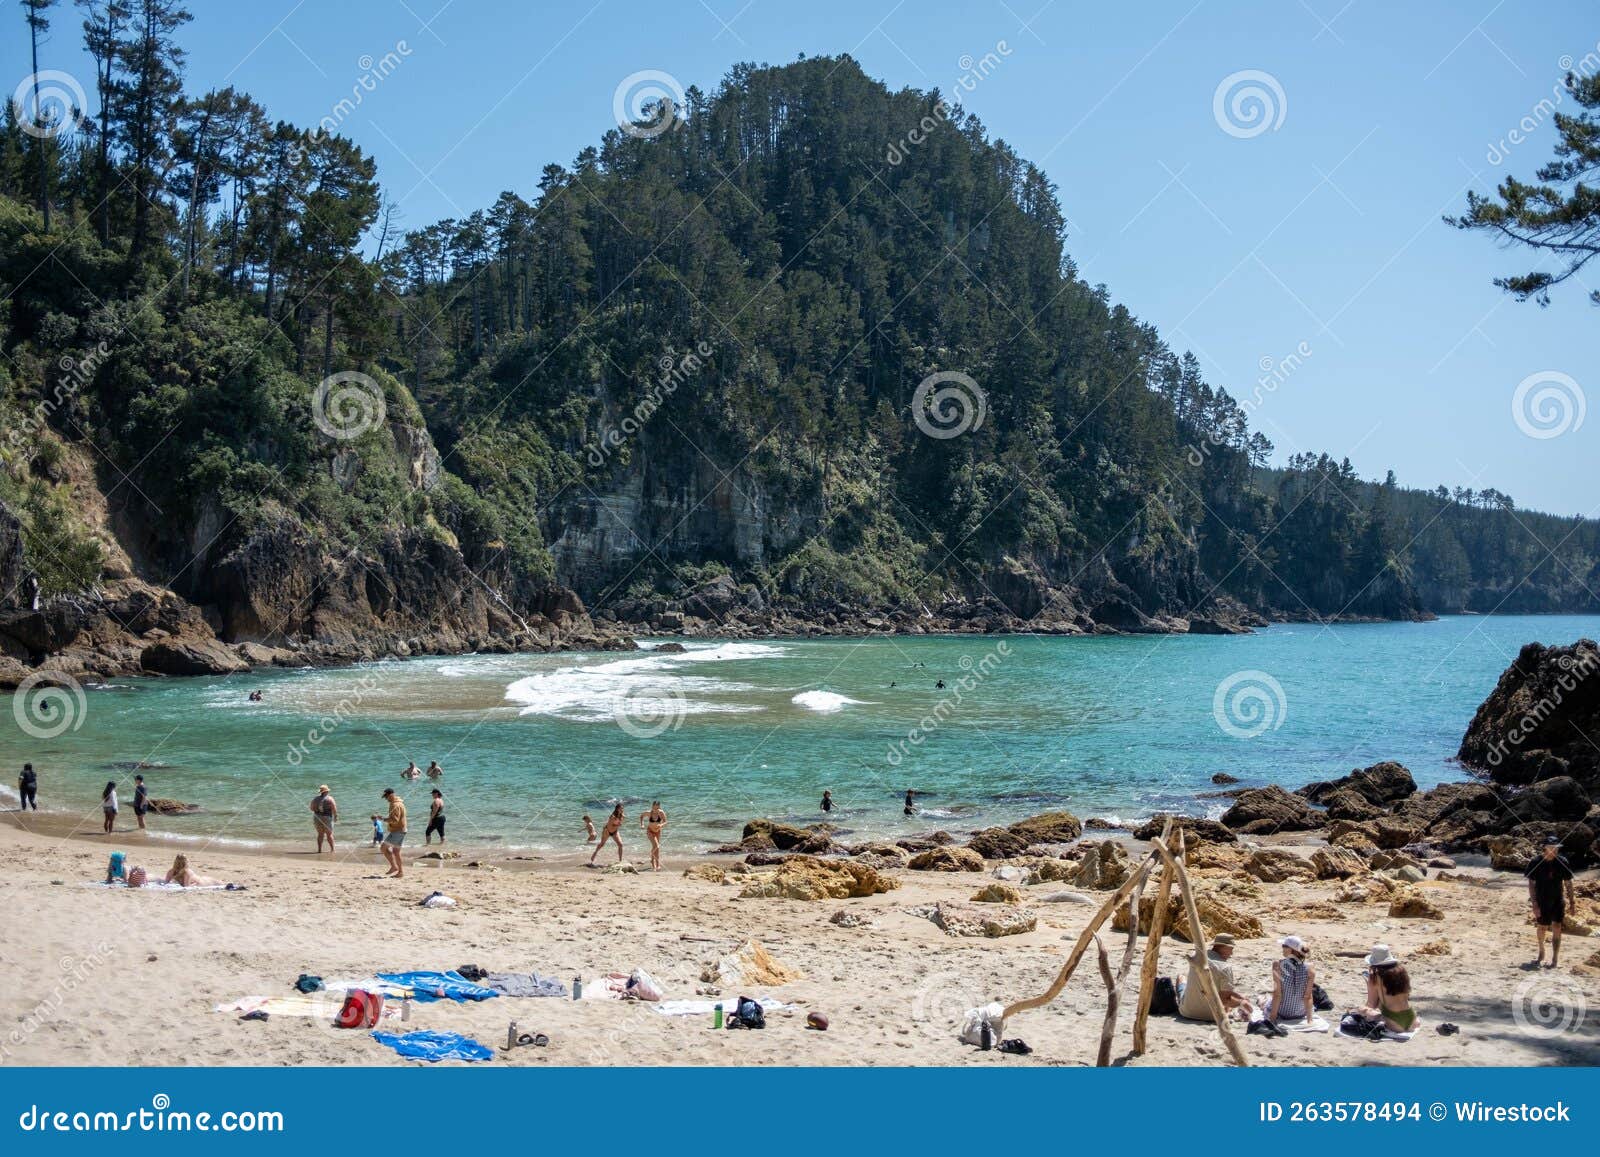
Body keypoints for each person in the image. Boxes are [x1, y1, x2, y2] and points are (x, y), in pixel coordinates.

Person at [1178, 932, 1254, 1021]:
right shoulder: (1225, 967)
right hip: (1213, 1016)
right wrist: (1242, 1002)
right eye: (1231, 949)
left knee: (1181, 977)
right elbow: (1225, 999)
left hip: (1187, 1012)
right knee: (1226, 997)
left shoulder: (1196, 955)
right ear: (1225, 947)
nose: (1231, 953)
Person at [1526, 835, 1576, 968]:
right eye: (1552, 848)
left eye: (1556, 848)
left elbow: (1568, 882)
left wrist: (1572, 902)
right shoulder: (1535, 862)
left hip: (1558, 899)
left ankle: (1555, 958)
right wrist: (1535, 904)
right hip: (1542, 900)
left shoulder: (1562, 861)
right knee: (1542, 927)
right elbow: (1531, 883)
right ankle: (1541, 951)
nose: (1555, 850)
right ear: (1545, 848)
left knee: (1557, 927)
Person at [1265, 935, 1316, 1022]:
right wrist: (1309, 1020)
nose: (1282, 948)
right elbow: (1307, 996)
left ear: (1292, 950)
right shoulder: (1310, 968)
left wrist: (1272, 1018)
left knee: (1264, 1001)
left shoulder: (1277, 965)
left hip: (1282, 1013)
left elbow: (1277, 995)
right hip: (1300, 1013)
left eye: (1284, 946)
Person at [379, 788, 408, 878]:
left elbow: (395, 820)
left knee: (383, 848)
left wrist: (383, 819)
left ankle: (394, 867)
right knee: (396, 851)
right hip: (402, 830)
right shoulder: (400, 802)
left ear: (391, 794)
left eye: (386, 796)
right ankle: (400, 872)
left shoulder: (394, 804)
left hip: (397, 831)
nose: (386, 799)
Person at [310, 785, 339, 853]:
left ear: (321, 792)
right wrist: (336, 817)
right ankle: (332, 849)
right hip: (327, 817)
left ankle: (319, 850)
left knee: (320, 834)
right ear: (326, 792)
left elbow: (311, 808)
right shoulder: (330, 799)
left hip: (317, 817)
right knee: (329, 834)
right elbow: (334, 809)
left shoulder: (315, 799)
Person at [642, 800, 667, 871]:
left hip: (658, 832)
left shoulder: (661, 812)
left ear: (659, 807)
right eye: (654, 808)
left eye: (657, 808)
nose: (655, 810)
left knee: (656, 848)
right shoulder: (649, 812)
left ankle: (657, 864)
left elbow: (666, 821)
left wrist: (661, 825)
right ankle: (653, 864)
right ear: (652, 806)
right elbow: (641, 816)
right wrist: (642, 824)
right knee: (656, 846)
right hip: (650, 831)